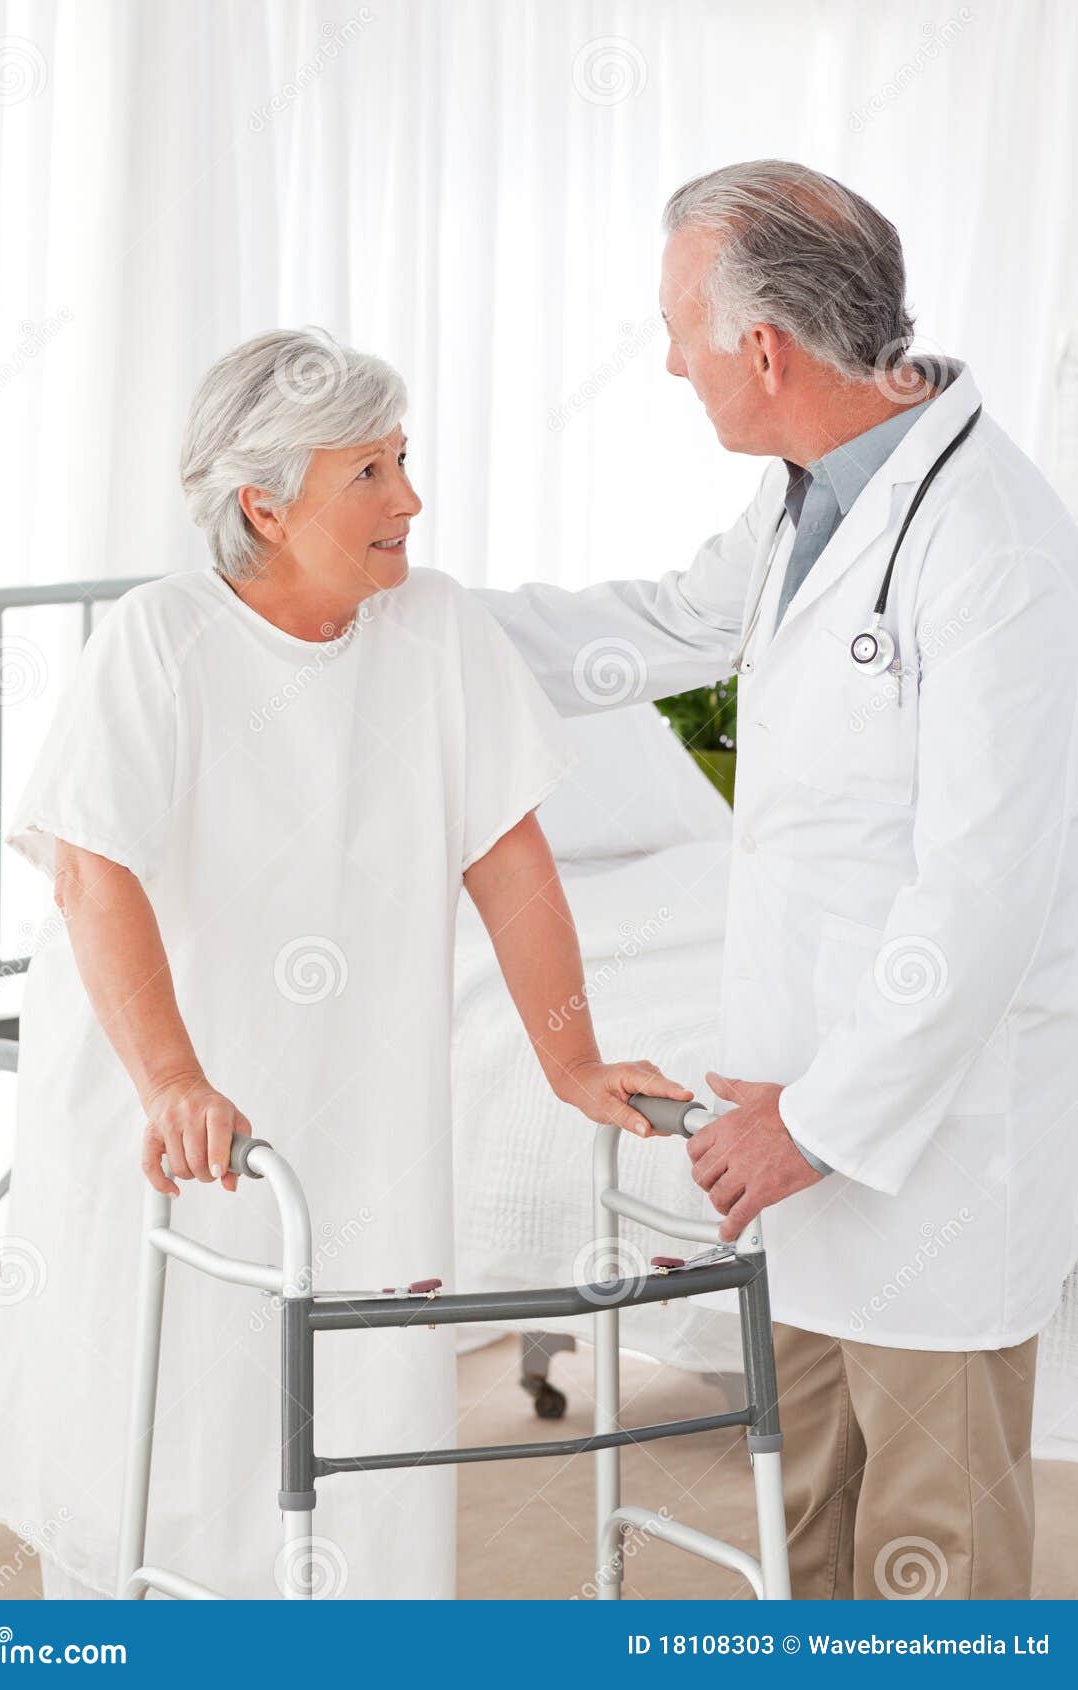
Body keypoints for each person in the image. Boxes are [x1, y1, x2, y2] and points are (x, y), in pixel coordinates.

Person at [0, 328, 689, 1600]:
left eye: (402, 459)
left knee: (354, 1439)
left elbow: (508, 858)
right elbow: (93, 871)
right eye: (370, 471)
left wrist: (567, 1056)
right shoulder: (161, 639)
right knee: (175, 1441)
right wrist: (175, 1078)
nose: (408, 497)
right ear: (264, 500)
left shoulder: (436, 631)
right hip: (175, 1114)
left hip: (355, 1120)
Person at [478, 160, 1078, 1600]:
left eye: (677, 331)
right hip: (796, 1121)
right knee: (798, 1525)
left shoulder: (988, 540)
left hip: (915, 1143)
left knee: (927, 1552)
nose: (670, 361)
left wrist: (814, 1121)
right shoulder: (807, 495)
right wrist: (428, 624)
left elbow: (984, 889)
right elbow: (672, 624)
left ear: (762, 348)